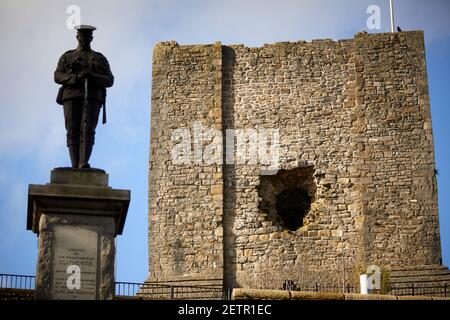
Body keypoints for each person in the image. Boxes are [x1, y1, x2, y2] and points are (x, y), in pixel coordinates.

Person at [54, 25, 114, 168]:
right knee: (72, 130)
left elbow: (109, 80)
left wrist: (92, 76)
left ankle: (83, 163)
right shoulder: (67, 56)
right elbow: (57, 76)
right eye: (81, 37)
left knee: (88, 130)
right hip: (71, 96)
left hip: (93, 97)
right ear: (77, 38)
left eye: (87, 38)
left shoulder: (99, 58)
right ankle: (75, 165)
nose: (84, 40)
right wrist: (75, 78)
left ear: (91, 38)